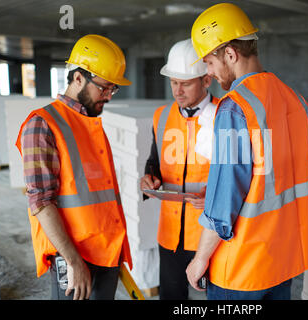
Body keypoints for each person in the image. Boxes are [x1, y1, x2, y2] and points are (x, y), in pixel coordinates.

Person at [186, 3, 308, 300]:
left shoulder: (236, 107)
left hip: (241, 268)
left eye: (209, 62)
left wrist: (199, 260)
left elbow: (224, 203)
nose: (208, 72)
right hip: (284, 261)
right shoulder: (298, 101)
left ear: (230, 55)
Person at [16, 34, 133, 300]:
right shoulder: (42, 124)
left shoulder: (90, 124)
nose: (108, 96)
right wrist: (73, 262)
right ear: (78, 78)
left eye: (113, 89)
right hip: (76, 259)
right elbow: (41, 202)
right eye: (103, 88)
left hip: (107, 252)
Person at [139, 39, 218, 300]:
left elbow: (240, 177)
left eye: (185, 83)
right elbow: (154, 161)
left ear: (206, 80)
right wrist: (149, 179)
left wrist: (214, 197)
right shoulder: (161, 116)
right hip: (170, 234)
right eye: (173, 82)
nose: (177, 90)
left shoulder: (225, 116)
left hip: (208, 234)